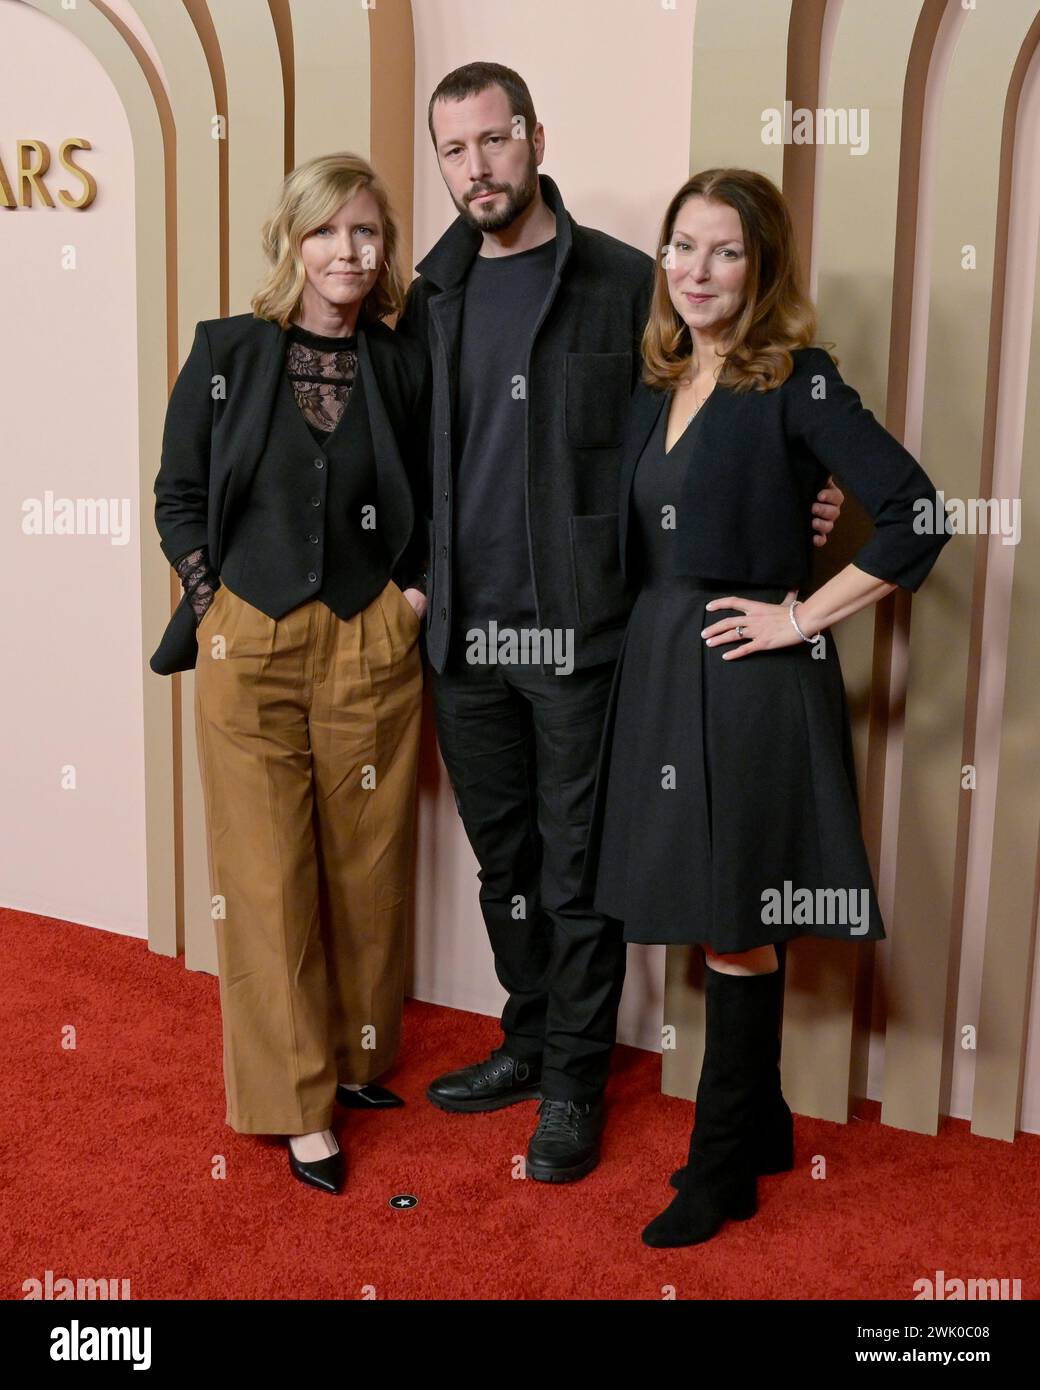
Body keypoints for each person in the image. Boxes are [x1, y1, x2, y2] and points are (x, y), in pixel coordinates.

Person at [396, 63, 844, 1182]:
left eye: (494, 138)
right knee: (504, 860)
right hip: (463, 638)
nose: (477, 166)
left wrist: (805, 486)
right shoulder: (431, 291)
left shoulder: (623, 282)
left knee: (574, 868)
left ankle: (572, 1081)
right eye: (453, 149)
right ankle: (528, 1036)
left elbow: (709, 418)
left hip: (581, 632)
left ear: (534, 137)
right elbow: (400, 450)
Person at [582, 167, 953, 1245]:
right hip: (663, 665)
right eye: (681, 246)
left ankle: (722, 1170)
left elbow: (917, 513)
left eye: (726, 251)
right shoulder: (662, 380)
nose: (696, 271)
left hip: (746, 681)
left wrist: (800, 616)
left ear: (762, 268)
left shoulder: (798, 378)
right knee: (716, 909)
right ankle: (768, 1124)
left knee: (734, 924)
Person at [151, 153, 431, 1195]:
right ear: (292, 241)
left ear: (384, 248)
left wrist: (413, 600)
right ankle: (295, 1104)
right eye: (325, 231)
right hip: (249, 640)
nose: (346, 251)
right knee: (266, 877)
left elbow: (443, 493)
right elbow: (178, 492)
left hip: (370, 637)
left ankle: (356, 1057)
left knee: (367, 866)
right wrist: (211, 601)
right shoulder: (226, 350)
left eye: (365, 232)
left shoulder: (403, 364)